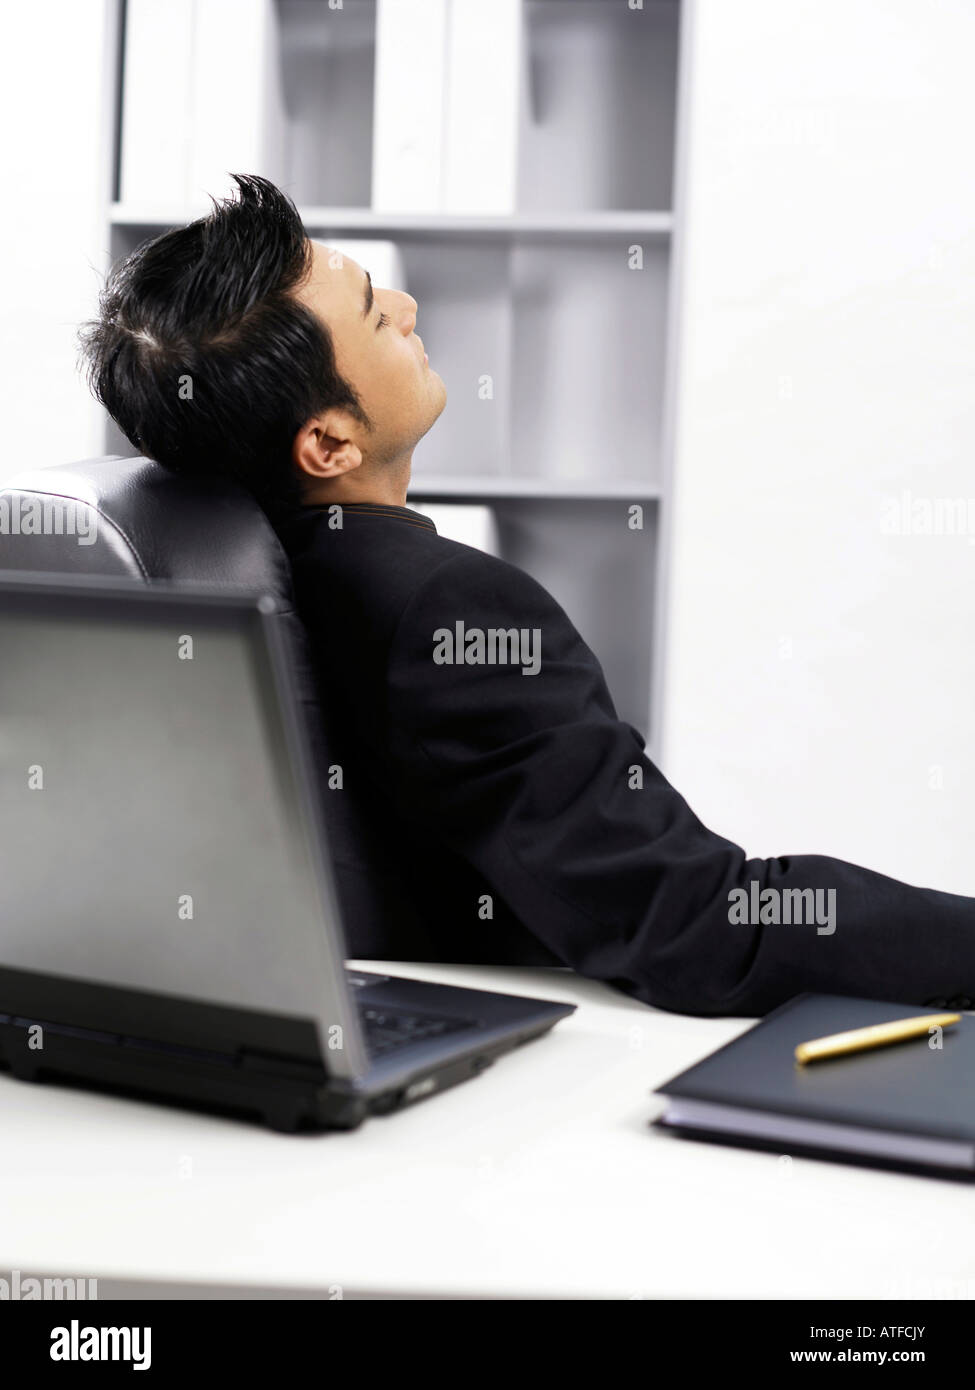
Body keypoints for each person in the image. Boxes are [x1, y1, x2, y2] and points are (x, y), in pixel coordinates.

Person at [80, 175, 975, 1017]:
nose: (407, 306)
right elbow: (697, 926)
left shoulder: (236, 563)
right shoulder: (451, 608)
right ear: (328, 443)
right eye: (374, 316)